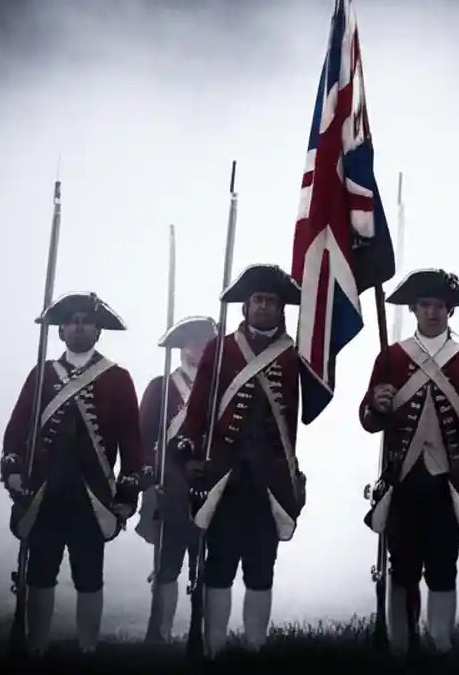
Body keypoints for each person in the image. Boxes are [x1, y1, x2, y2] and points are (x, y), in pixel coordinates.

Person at [359, 268, 459, 656]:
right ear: (415, 309)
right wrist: (377, 404)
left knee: (442, 564)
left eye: (439, 306)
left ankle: (440, 641)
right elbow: (369, 421)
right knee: (401, 564)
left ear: (450, 311)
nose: (432, 313)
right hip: (403, 480)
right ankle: (402, 643)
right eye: (425, 305)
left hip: (449, 482)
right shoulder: (391, 357)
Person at [172, 264, 305, 656]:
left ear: (282, 308)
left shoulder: (293, 353)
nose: (264, 306)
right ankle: (213, 647)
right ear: (245, 306)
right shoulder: (220, 349)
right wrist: (189, 452)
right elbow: (198, 409)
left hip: (271, 479)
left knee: (262, 567)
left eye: (271, 300)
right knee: (219, 565)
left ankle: (255, 647)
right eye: (257, 299)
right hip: (224, 476)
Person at [0, 292, 143, 656]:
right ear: (61, 331)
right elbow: (17, 428)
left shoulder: (118, 378)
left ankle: (88, 649)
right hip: (44, 490)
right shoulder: (42, 373)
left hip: (91, 494)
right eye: (72, 322)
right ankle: (35, 647)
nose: (80, 327)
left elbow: (130, 440)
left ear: (98, 332)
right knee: (40, 571)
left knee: (89, 575)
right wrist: (13, 470)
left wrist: (127, 494)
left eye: (87, 321)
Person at [138, 316, 218, 643]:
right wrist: (150, 478)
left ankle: (204, 634)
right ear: (181, 347)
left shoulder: (219, 388)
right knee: (167, 567)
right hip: (169, 489)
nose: (199, 348)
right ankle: (160, 633)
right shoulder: (161, 388)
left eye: (205, 342)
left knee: (208, 567)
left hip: (210, 488)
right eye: (193, 341)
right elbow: (142, 440)